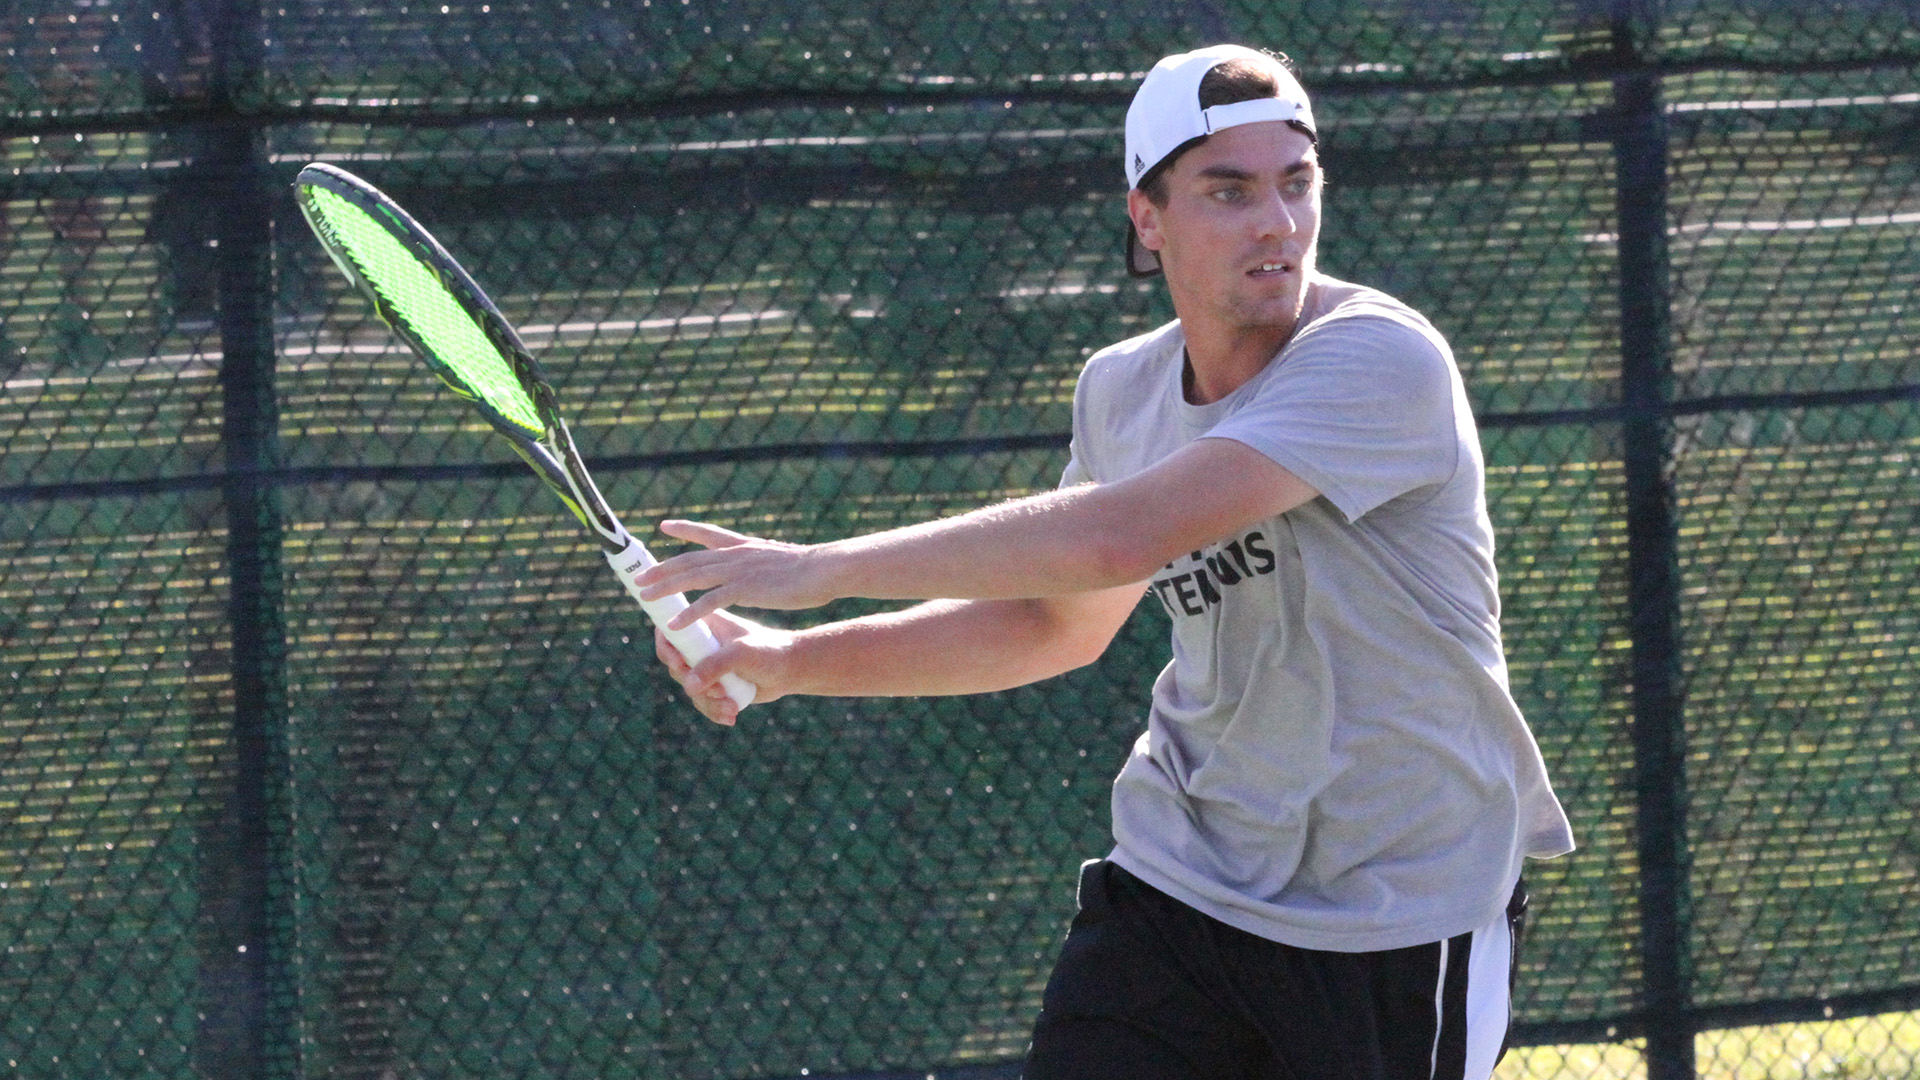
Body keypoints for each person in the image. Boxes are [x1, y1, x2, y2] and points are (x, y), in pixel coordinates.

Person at [636, 43, 1575, 1080]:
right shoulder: (1121, 393)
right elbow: (1052, 623)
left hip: (1396, 908)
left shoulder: (1382, 360)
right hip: (1183, 886)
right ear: (1148, 217)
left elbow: (1116, 537)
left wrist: (819, 565)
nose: (1276, 220)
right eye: (1228, 191)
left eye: (1295, 184)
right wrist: (785, 659)